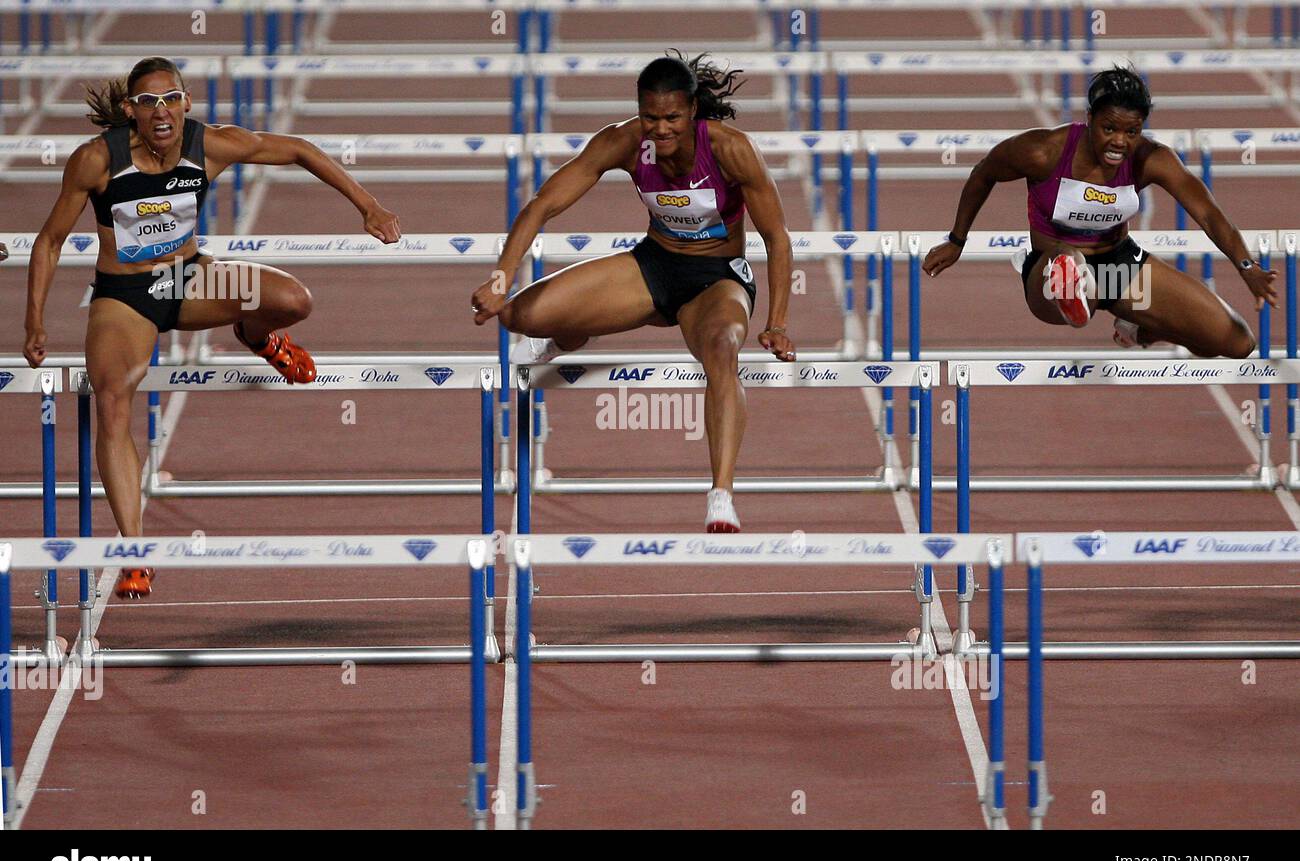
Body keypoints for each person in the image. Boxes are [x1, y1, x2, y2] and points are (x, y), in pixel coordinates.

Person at [22, 57, 401, 599]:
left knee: (295, 299)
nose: (161, 111)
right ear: (130, 111)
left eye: (170, 99)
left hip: (189, 282)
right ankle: (135, 552)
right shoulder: (95, 161)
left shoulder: (211, 145)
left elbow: (297, 149)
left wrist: (368, 205)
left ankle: (256, 334)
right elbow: (50, 241)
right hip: (126, 299)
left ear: (186, 104)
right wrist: (33, 321)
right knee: (111, 401)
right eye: (148, 102)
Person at [470, 52, 796, 533]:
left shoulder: (730, 149)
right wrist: (500, 280)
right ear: (638, 110)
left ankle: (721, 494)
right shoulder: (623, 141)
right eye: (650, 117)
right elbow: (544, 204)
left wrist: (777, 324)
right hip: (653, 265)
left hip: (716, 279)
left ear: (692, 112)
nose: (660, 130)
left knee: (723, 350)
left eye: (672, 118)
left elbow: (778, 237)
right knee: (520, 316)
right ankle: (571, 336)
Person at [923, 66, 1277, 356]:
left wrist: (1247, 266)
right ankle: (1076, 291)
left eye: (1132, 131)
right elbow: (984, 173)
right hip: (1048, 272)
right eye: (1109, 128)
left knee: (1236, 342)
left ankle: (1139, 328)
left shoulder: (1151, 158)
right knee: (1069, 262)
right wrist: (957, 239)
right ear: (1090, 118)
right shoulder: (1043, 151)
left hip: (1119, 269)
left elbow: (1209, 214)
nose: (1120, 142)